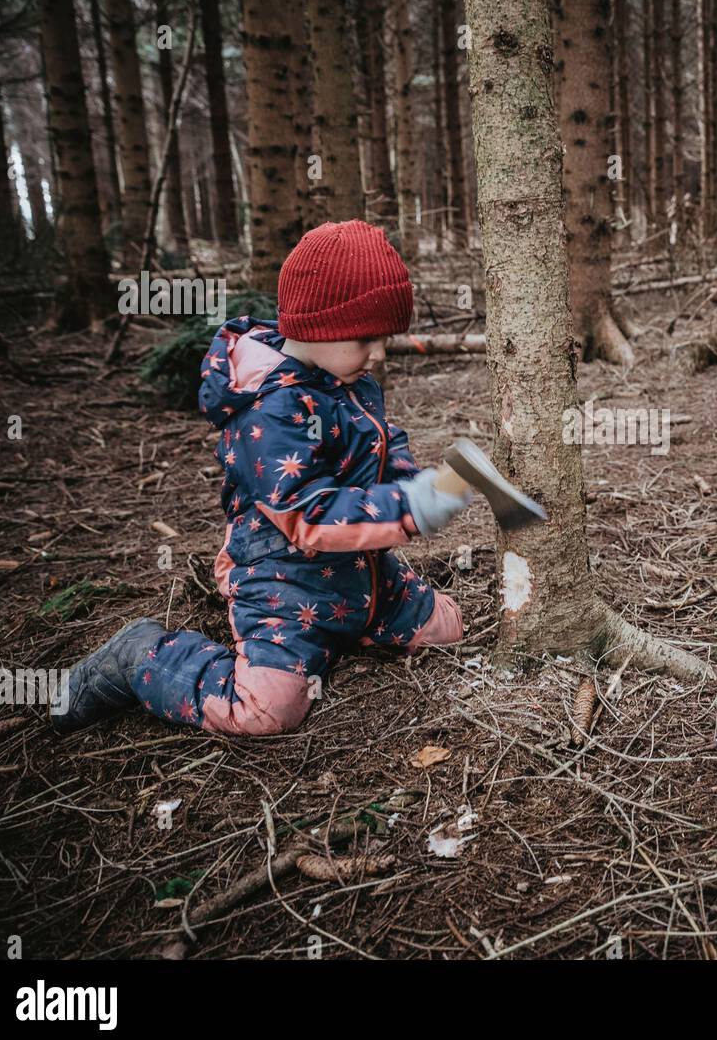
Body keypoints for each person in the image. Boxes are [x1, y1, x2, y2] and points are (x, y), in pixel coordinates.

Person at [51, 220, 475, 736]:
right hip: (284, 584)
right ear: (319, 326)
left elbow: (383, 444)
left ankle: (346, 629)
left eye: (384, 338)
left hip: (362, 572)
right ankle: (140, 656)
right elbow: (305, 515)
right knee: (268, 711)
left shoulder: (350, 378)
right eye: (367, 338)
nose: (379, 354)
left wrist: (420, 481)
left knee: (447, 627)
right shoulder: (269, 410)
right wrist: (410, 509)